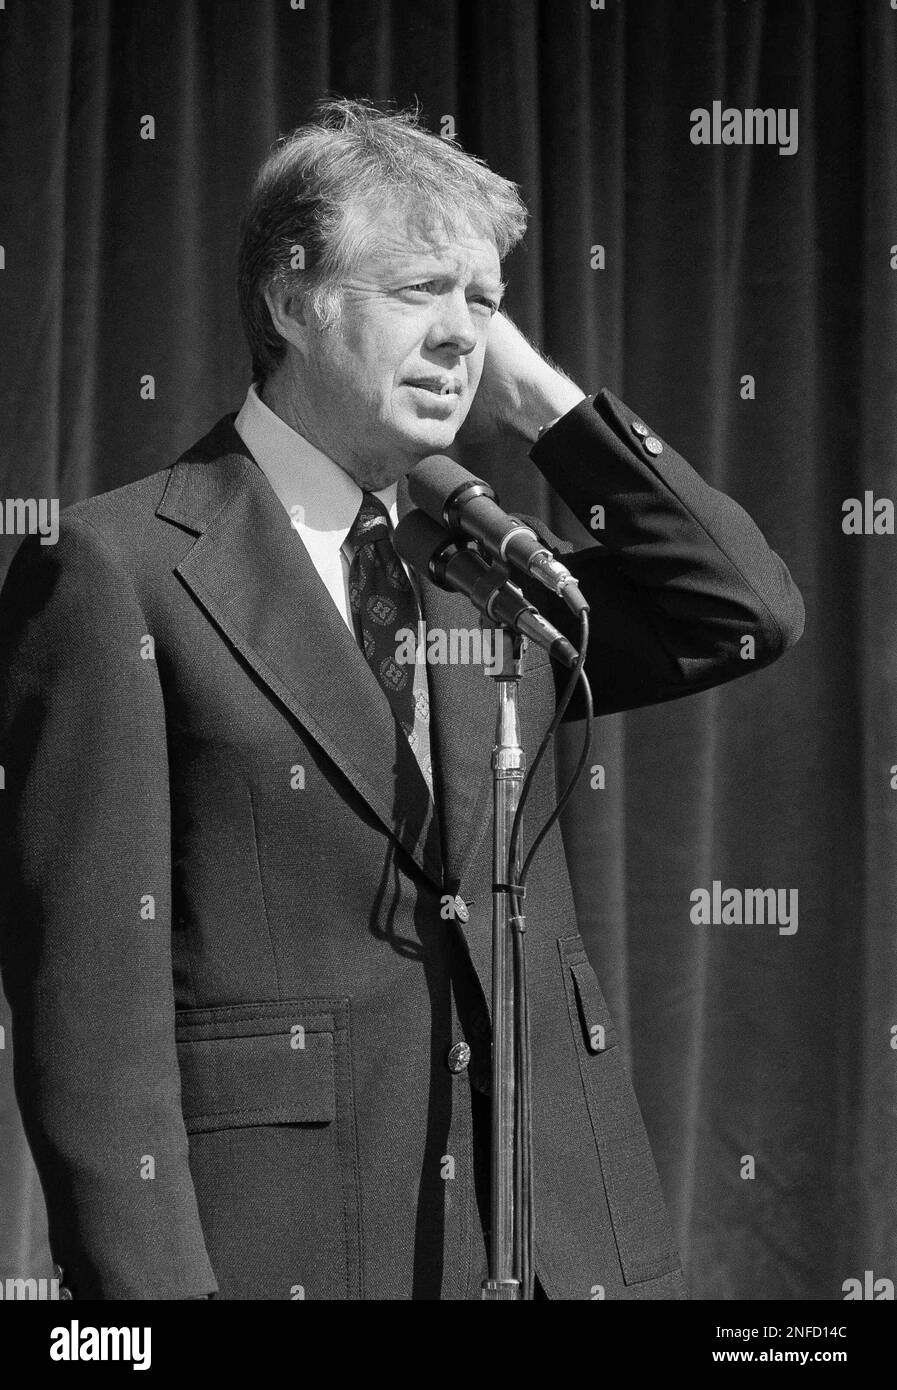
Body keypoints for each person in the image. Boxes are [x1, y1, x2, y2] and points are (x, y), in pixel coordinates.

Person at [0, 99, 804, 1300]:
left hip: (563, 1249)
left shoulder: (483, 565)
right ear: (289, 298)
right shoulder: (121, 566)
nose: (460, 338)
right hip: (299, 1250)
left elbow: (740, 608)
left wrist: (541, 404)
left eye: (483, 304)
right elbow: (88, 1021)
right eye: (420, 289)